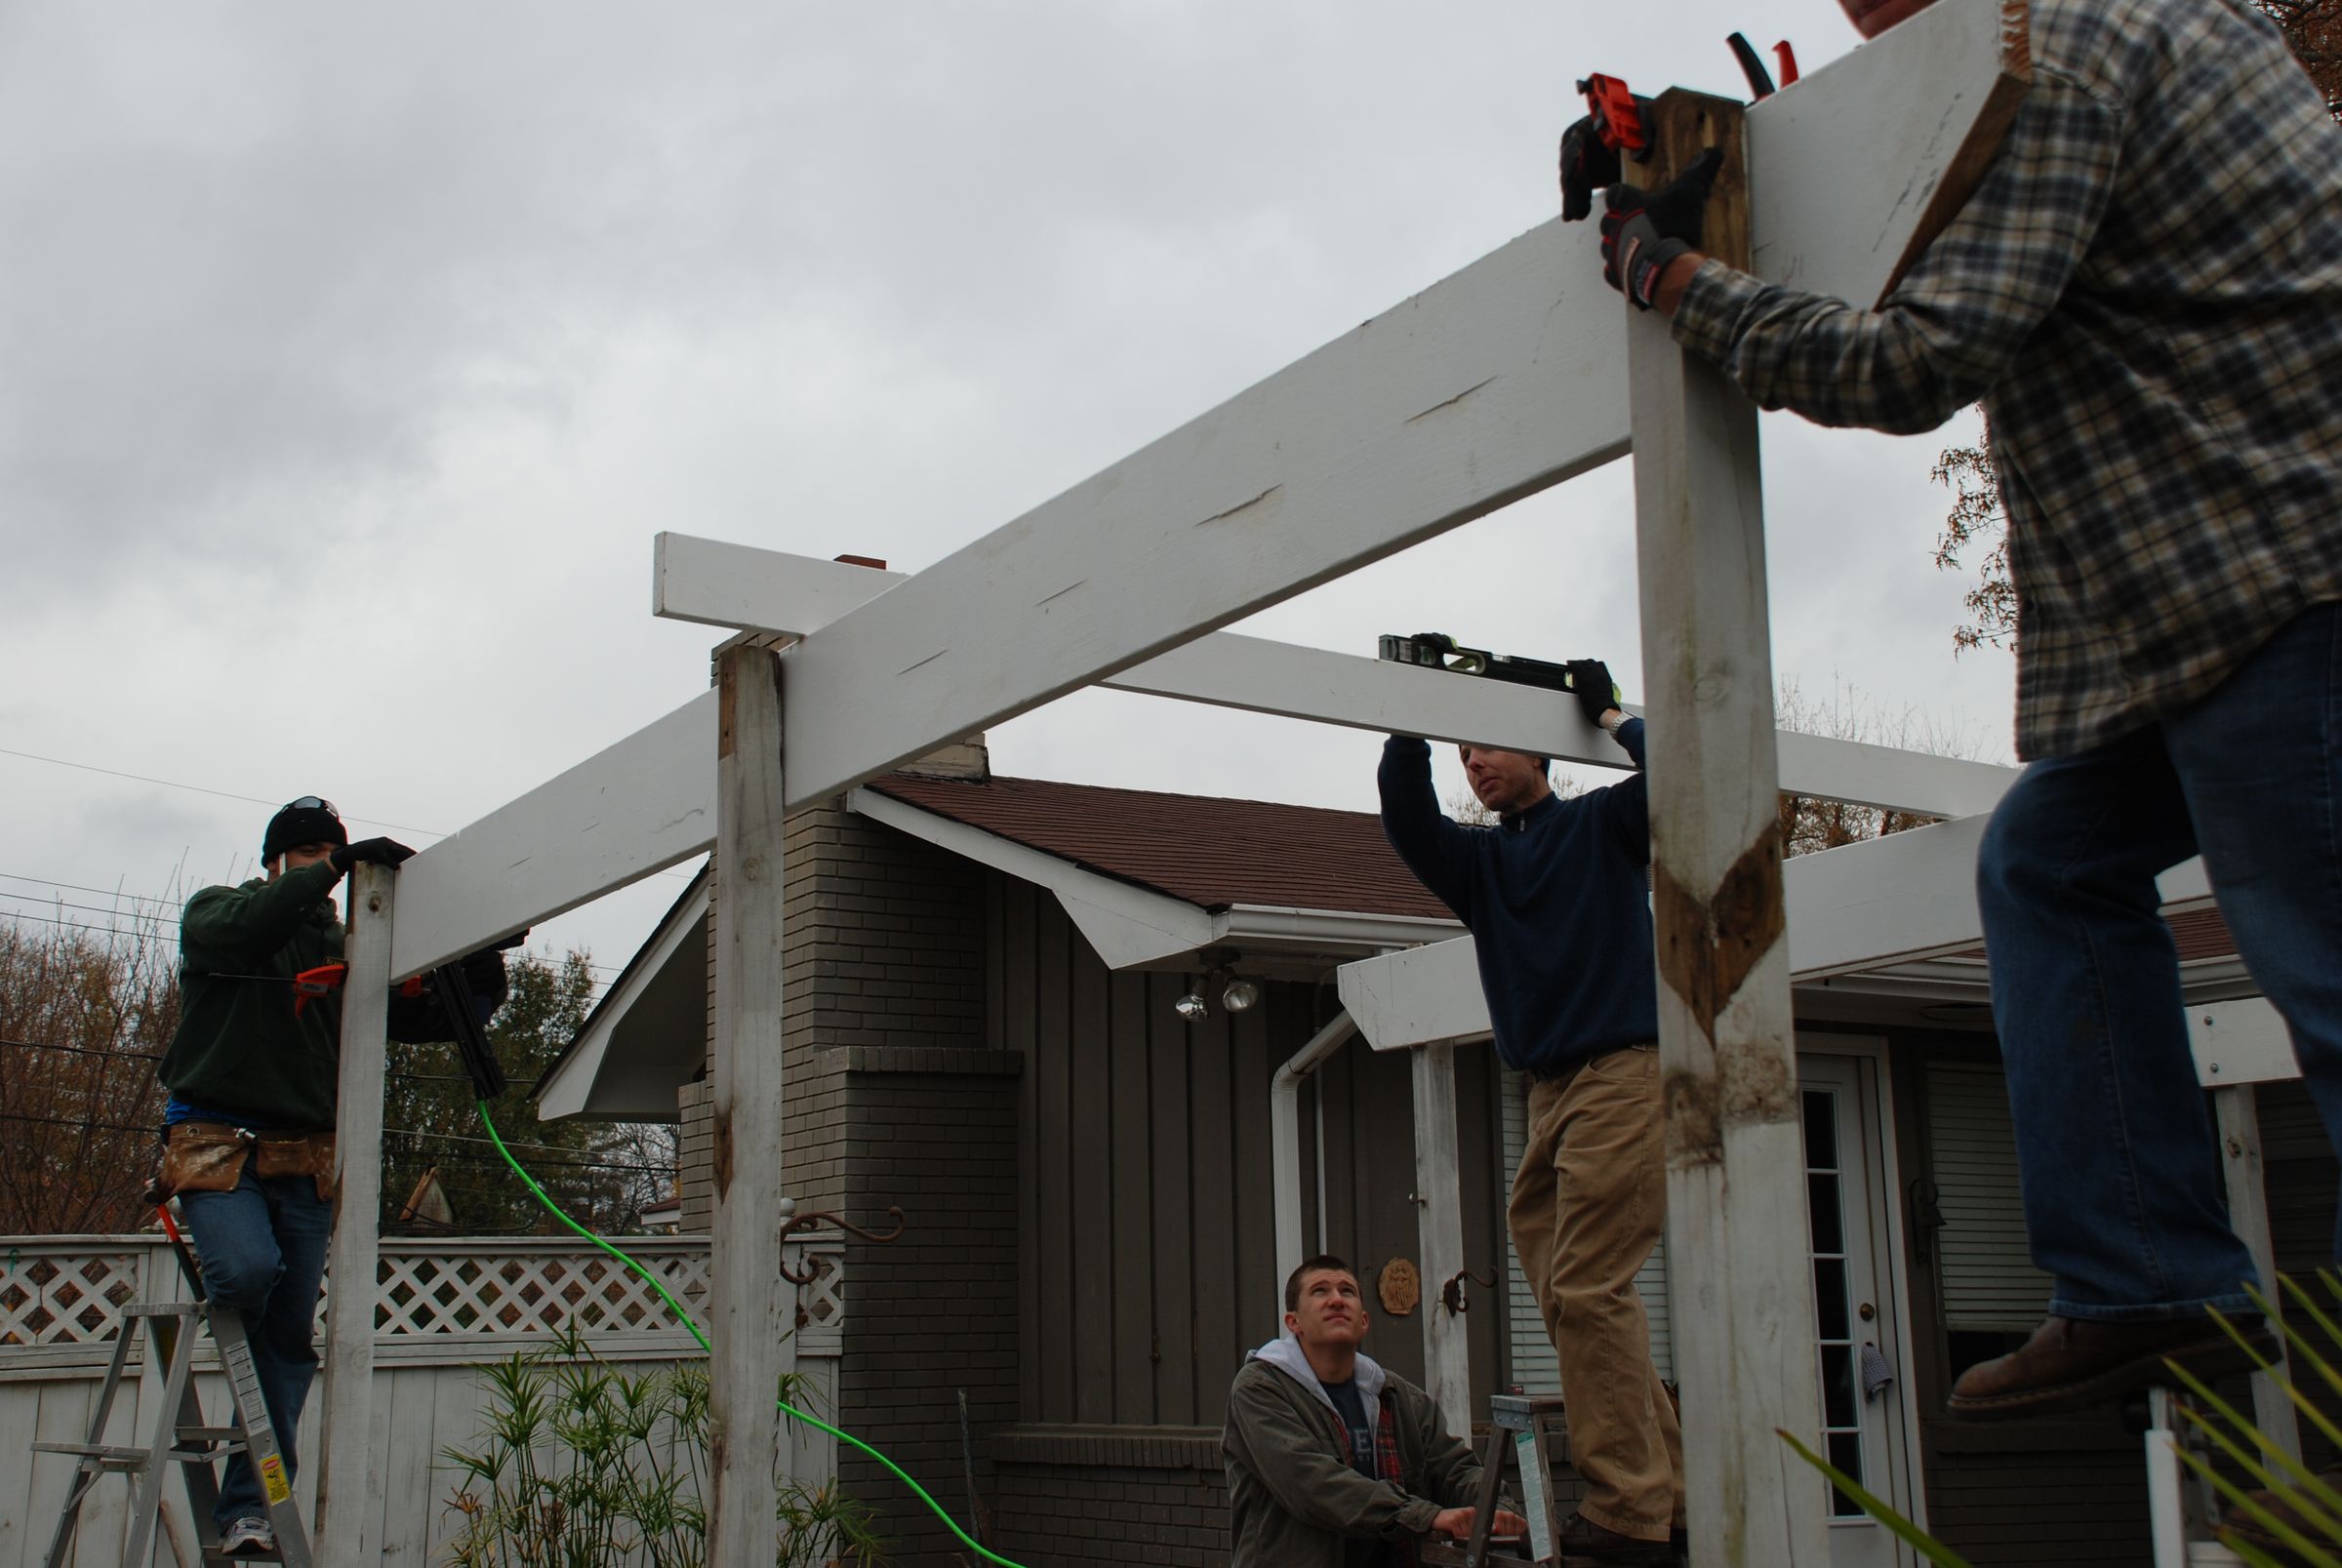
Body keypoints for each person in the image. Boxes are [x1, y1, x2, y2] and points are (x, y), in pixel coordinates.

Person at [1573, 0, 2342, 1417]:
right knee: (2048, 858)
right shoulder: (2158, 27)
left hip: (2288, 585)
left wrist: (1679, 279)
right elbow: (2016, 269)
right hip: (2211, 613)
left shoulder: (2064, 47)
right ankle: (2149, 1272)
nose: (1870, 23)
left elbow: (1908, 360)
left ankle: (2151, 1269)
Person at [1378, 662, 1683, 1563]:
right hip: (1547, 1092)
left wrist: (1615, 714)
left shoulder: (1601, 826)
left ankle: (1629, 1510)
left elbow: (1682, 780)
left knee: (1588, 1286)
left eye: (1486, 743)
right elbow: (1410, 820)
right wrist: (1411, 718)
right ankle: (1671, 1485)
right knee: (1569, 1296)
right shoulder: (1483, 865)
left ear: (1539, 747)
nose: (1473, 762)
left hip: (1623, 1073)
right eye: (1463, 750)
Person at [154, 796, 506, 1554]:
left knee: (287, 1339)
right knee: (247, 1271)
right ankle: (251, 1487)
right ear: (275, 861)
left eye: (331, 851)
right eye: (309, 851)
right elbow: (250, 927)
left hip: (304, 1154)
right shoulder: (219, 914)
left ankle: (249, 1507)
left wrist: (481, 956)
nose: (322, 863)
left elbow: (442, 1013)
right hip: (215, 1142)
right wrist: (336, 870)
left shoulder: (353, 948)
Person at [1224, 1255, 1527, 1567]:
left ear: (1364, 1321)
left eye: (1347, 1291)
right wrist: (1425, 1516)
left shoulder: (1399, 1397)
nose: (1336, 1300)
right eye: (1319, 1291)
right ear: (1293, 1322)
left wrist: (1496, 1510)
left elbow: (1455, 1469)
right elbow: (1310, 1484)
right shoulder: (1259, 1389)